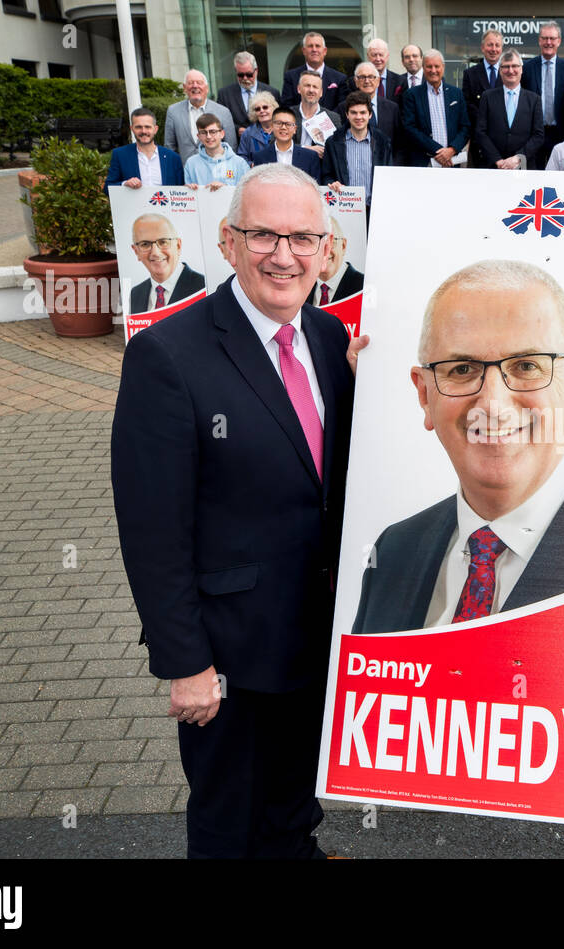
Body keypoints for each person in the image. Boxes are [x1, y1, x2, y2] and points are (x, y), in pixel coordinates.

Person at [113, 163, 359, 859]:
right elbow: (153, 532)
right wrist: (185, 662)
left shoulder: (334, 343)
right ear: (227, 241)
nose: (284, 256)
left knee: (292, 809)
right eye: (263, 236)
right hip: (230, 661)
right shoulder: (167, 355)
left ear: (326, 247)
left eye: (303, 238)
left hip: (316, 642)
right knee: (228, 825)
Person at [350, 259, 564, 635]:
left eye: (527, 366)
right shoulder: (395, 549)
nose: (493, 405)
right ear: (423, 394)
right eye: (461, 369)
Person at [473, 50, 544, 170]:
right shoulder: (487, 97)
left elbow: (538, 135)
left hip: (524, 167)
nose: (511, 71)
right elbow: (481, 132)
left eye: (515, 66)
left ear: (521, 69)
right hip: (494, 167)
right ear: (500, 71)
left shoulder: (534, 99)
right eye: (506, 66)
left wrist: (518, 158)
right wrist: (498, 160)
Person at [400, 49, 469, 169]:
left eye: (437, 66)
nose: (433, 71)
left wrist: (452, 150)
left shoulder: (456, 93)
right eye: (429, 67)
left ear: (443, 67)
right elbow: (409, 128)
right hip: (424, 162)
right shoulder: (412, 95)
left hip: (452, 161)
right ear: (423, 68)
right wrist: (439, 151)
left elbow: (465, 127)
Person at [323, 91, 393, 206]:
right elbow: (326, 175)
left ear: (370, 114)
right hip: (345, 207)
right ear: (347, 114)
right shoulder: (333, 142)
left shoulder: (383, 142)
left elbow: (388, 176)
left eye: (363, 112)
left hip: (374, 208)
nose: (358, 117)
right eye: (354, 113)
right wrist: (332, 183)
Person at [127, 213, 204, 314]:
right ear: (136, 251)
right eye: (145, 244)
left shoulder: (203, 287)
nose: (155, 253)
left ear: (178, 246)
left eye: (163, 242)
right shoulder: (135, 294)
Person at [520, 21, 564, 168]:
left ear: (559, 41)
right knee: (534, 175)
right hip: (534, 132)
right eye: (544, 38)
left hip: (560, 133)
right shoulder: (527, 67)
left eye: (552, 38)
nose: (548, 42)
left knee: (557, 177)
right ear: (539, 41)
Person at [165, 70, 238, 163]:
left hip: (217, 171)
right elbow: (169, 146)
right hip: (185, 172)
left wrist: (228, 173)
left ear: (207, 88)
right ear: (184, 88)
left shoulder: (223, 112)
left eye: (199, 83)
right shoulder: (173, 111)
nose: (195, 86)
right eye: (190, 83)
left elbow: (231, 146)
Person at [104, 108, 182, 192]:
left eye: (147, 127)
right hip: (134, 205)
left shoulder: (173, 158)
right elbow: (107, 188)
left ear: (155, 129)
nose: (143, 131)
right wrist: (125, 184)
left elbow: (181, 190)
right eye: (138, 127)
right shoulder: (120, 155)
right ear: (132, 129)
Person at [216, 52, 280, 139]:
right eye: (240, 75)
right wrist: (237, 129)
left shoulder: (272, 92)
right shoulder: (224, 94)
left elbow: (278, 119)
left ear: (256, 71)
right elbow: (220, 121)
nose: (245, 78)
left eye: (249, 75)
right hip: (237, 146)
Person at [280, 32, 346, 112]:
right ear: (304, 51)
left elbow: (342, 107)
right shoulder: (291, 77)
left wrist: (323, 121)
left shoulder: (339, 78)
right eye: (310, 46)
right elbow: (287, 106)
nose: (314, 49)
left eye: (317, 46)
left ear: (325, 51)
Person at [251, 107, 322, 179]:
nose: (283, 127)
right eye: (279, 123)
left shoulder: (310, 157)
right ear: (272, 127)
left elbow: (315, 187)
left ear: (295, 129)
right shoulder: (260, 157)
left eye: (288, 124)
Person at [184, 113, 250, 190]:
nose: (208, 136)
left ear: (222, 134)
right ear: (198, 136)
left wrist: (225, 189)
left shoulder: (240, 163)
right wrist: (189, 190)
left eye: (212, 132)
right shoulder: (191, 163)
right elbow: (189, 198)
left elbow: (247, 194)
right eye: (203, 132)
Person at [309, 216, 363, 307]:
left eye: (331, 243)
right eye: (316, 243)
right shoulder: (302, 287)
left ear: (343, 245)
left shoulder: (364, 287)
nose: (324, 251)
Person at [461, 29, 503, 137]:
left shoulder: (509, 72)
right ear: (482, 47)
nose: (494, 49)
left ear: (501, 49)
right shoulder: (470, 74)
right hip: (479, 135)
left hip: (504, 136)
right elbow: (467, 104)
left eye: (497, 45)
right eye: (490, 45)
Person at [290, 73, 342, 160]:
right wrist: (305, 149)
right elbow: (276, 143)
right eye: (307, 86)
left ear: (321, 92)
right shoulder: (287, 114)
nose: (311, 90)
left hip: (320, 169)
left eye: (315, 87)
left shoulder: (332, 118)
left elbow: (339, 148)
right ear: (299, 89)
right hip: (293, 167)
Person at [348, 63, 400, 147]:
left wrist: (392, 160)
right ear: (356, 81)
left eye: (371, 77)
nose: (367, 81)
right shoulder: (344, 107)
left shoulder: (392, 108)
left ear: (378, 81)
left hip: (387, 159)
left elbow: (400, 143)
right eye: (362, 77)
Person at [235, 91, 279, 161]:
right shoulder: (247, 133)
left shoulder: (282, 129)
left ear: (273, 108)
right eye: (257, 109)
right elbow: (242, 158)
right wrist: (251, 164)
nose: (261, 111)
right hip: (257, 171)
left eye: (265, 107)